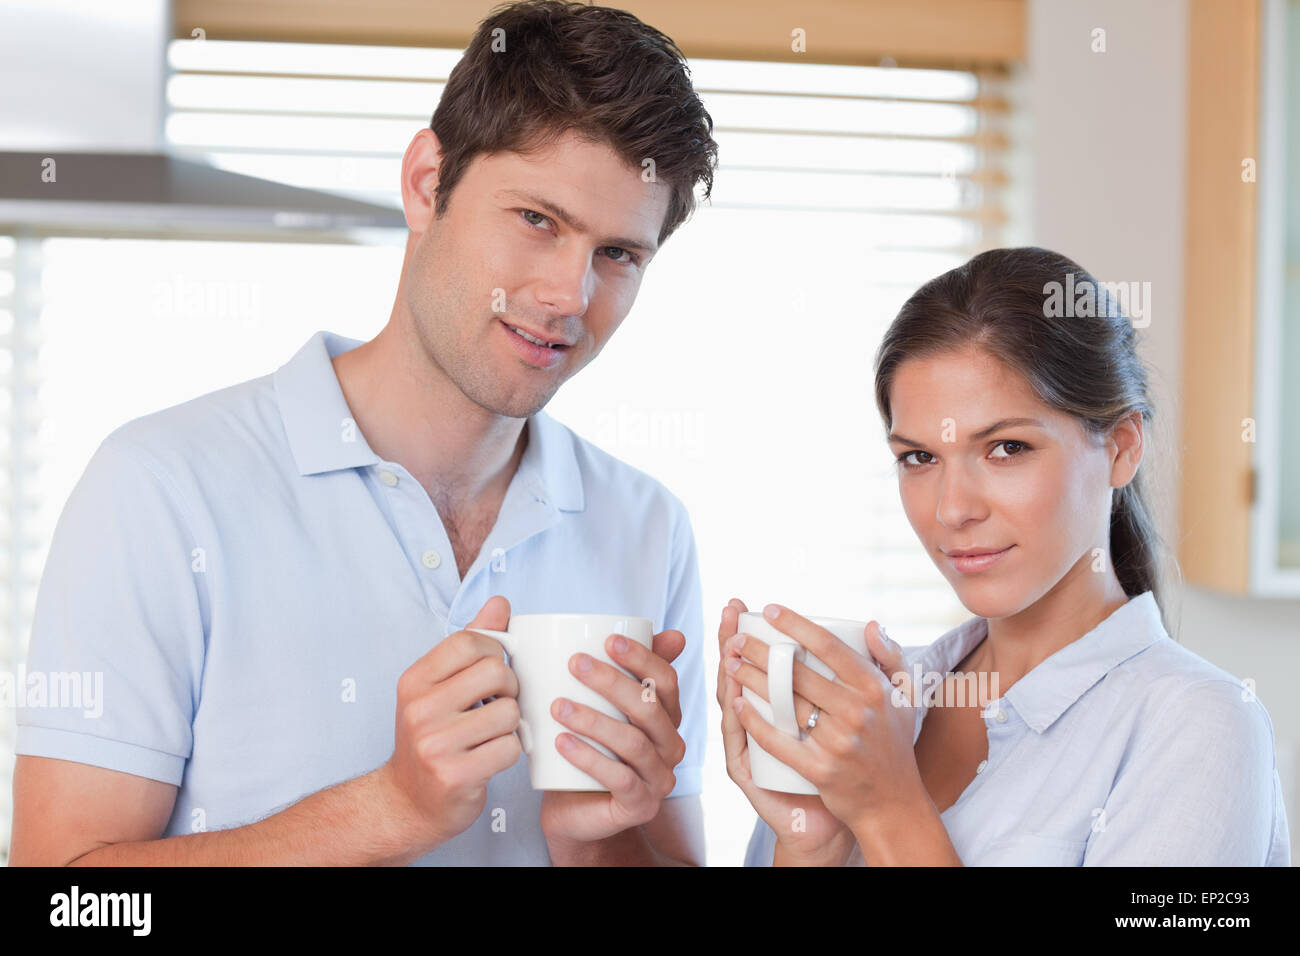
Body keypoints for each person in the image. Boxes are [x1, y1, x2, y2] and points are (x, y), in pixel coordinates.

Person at [10, 0, 718, 866]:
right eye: (538, 220)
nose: (570, 295)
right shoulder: (158, 490)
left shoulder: (649, 530)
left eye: (619, 255)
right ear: (428, 183)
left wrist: (594, 844)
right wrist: (389, 808)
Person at [719, 247, 1291, 866]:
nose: (952, 509)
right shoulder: (871, 714)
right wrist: (812, 848)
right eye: (920, 458)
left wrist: (888, 810)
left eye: (1006, 447)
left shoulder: (1203, 726)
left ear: (1122, 448)